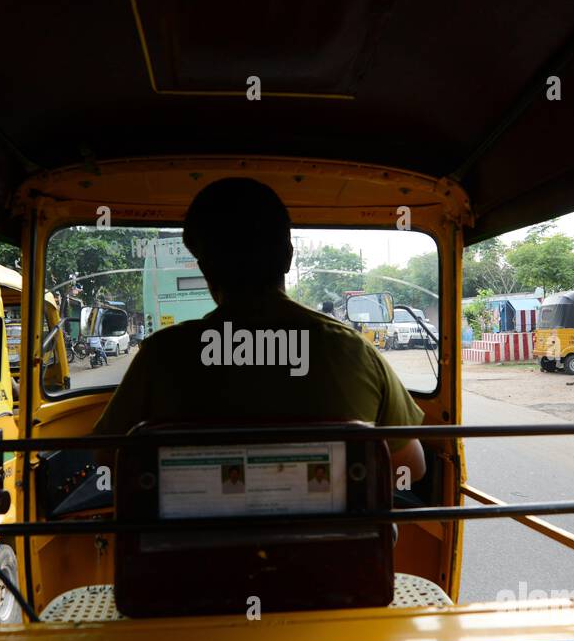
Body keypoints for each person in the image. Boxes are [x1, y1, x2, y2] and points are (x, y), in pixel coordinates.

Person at [93, 177, 426, 482]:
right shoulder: (352, 352)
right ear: (288, 258)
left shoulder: (161, 355)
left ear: (206, 266)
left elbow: (108, 459)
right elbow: (411, 467)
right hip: (335, 548)